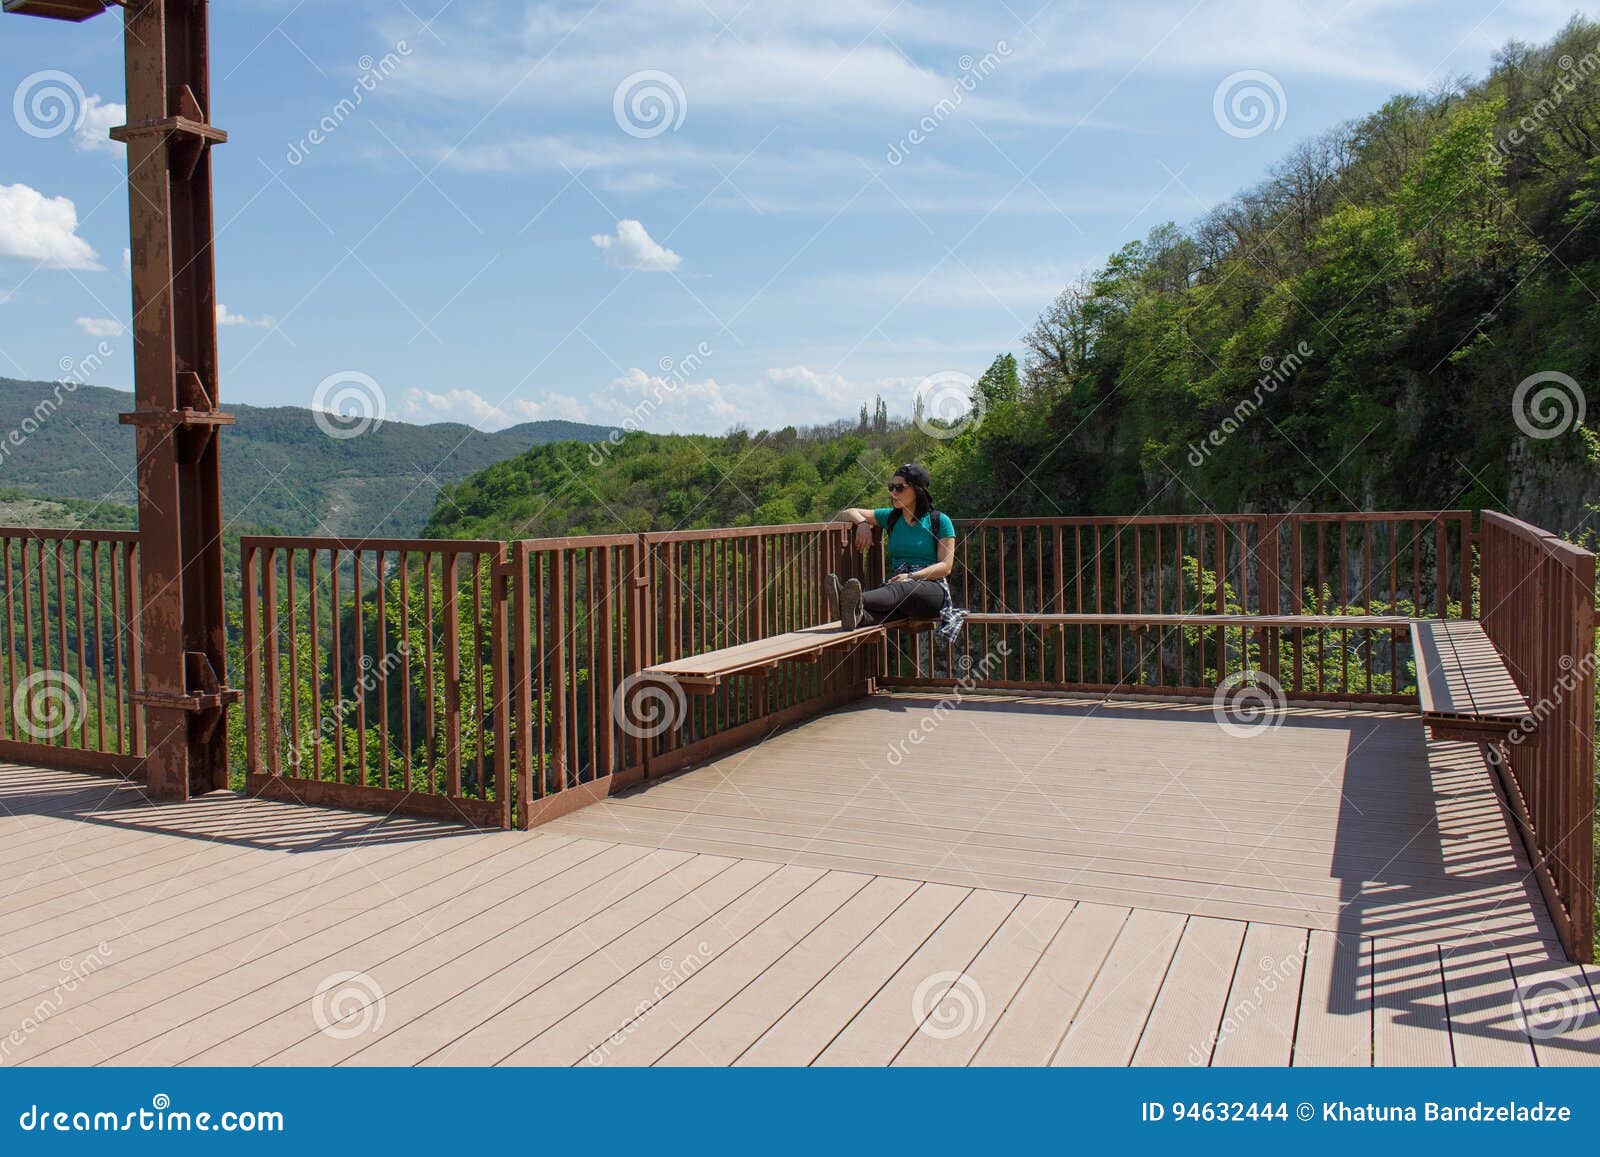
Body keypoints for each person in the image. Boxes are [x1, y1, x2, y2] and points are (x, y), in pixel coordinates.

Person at [830, 462, 957, 630]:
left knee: (900, 589)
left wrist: (912, 576)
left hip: (931, 588)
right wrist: (862, 523)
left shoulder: (939, 521)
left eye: (899, 487)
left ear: (918, 490)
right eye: (891, 487)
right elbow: (846, 512)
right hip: (900, 589)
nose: (893, 492)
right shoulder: (891, 517)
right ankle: (853, 612)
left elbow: (946, 566)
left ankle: (848, 599)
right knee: (873, 614)